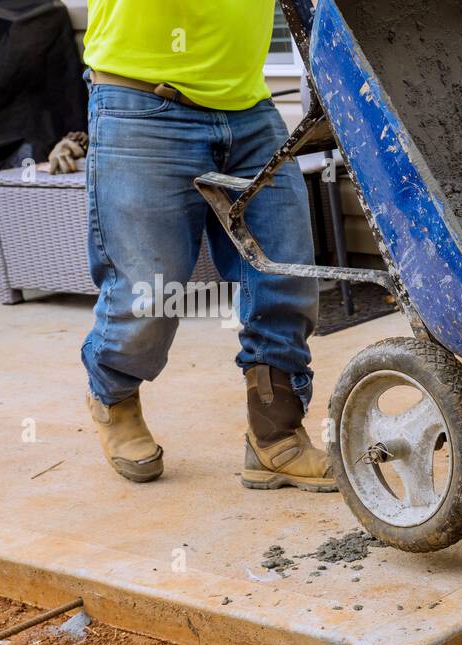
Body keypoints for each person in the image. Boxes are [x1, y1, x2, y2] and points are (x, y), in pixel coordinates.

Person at [80, 0, 335, 491]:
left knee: (283, 271)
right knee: (150, 291)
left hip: (246, 106)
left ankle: (275, 435)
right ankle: (113, 395)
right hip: (140, 103)